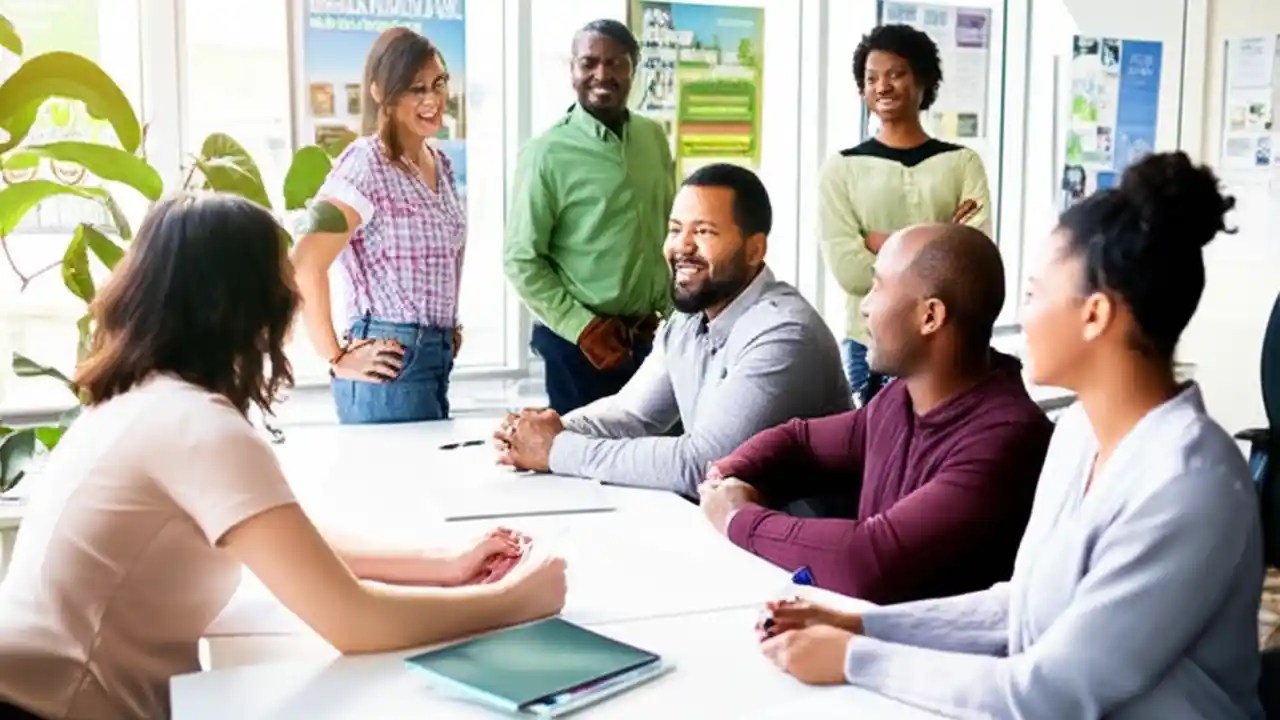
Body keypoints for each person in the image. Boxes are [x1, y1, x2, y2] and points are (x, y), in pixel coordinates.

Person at [0, 194, 567, 720]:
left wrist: (443, 563)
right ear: (246, 303)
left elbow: (281, 536)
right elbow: (354, 621)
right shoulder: (195, 425)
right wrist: (515, 601)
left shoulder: (139, 402)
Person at [757, 152, 1264, 719]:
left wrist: (856, 656)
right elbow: (1020, 610)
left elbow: (1049, 691)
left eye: (1034, 294)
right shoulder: (1076, 432)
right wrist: (861, 621)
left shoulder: (1187, 485)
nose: (1021, 316)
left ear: (1094, 316)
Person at [699, 223, 1052, 604]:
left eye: (878, 287)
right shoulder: (901, 397)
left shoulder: (1007, 438)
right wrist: (730, 474)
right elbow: (800, 441)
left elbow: (869, 563)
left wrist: (737, 518)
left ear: (930, 316)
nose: (864, 307)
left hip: (938, 659)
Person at [492, 164, 849, 497]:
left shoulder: (785, 332)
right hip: (732, 532)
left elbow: (704, 465)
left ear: (755, 249)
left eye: (704, 231)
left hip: (798, 550)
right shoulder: (689, 320)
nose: (682, 246)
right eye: (676, 229)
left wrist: (556, 449)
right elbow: (632, 415)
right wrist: (537, 432)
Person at [293, 27, 467, 424]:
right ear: (379, 93)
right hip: (388, 364)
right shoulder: (365, 164)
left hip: (435, 357)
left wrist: (448, 324)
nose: (433, 99)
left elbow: (451, 250)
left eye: (438, 83)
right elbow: (306, 262)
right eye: (415, 89)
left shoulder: (441, 163)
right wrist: (336, 356)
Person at [505, 19, 675, 415]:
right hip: (575, 348)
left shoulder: (653, 139)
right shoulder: (546, 153)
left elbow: (665, 232)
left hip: (644, 342)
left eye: (616, 63)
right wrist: (582, 327)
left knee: (649, 461)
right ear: (572, 70)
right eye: (589, 63)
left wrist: (674, 315)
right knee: (582, 470)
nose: (603, 75)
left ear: (634, 68)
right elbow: (521, 258)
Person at [820, 24, 992, 400]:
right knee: (873, 453)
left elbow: (972, 263)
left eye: (896, 74)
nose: (882, 86)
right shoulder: (841, 168)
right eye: (871, 78)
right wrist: (940, 236)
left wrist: (880, 241)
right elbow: (849, 271)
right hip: (869, 344)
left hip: (945, 343)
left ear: (924, 81)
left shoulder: (962, 163)